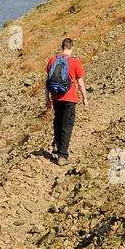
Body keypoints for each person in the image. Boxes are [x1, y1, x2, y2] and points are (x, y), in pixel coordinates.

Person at [44, 37, 86, 166]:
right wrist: (85, 97)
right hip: (70, 98)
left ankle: (56, 143)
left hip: (56, 96)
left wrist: (47, 98)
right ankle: (63, 155)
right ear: (72, 48)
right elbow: (80, 82)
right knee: (67, 125)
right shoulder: (76, 61)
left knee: (58, 120)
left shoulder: (53, 59)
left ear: (62, 47)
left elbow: (47, 81)